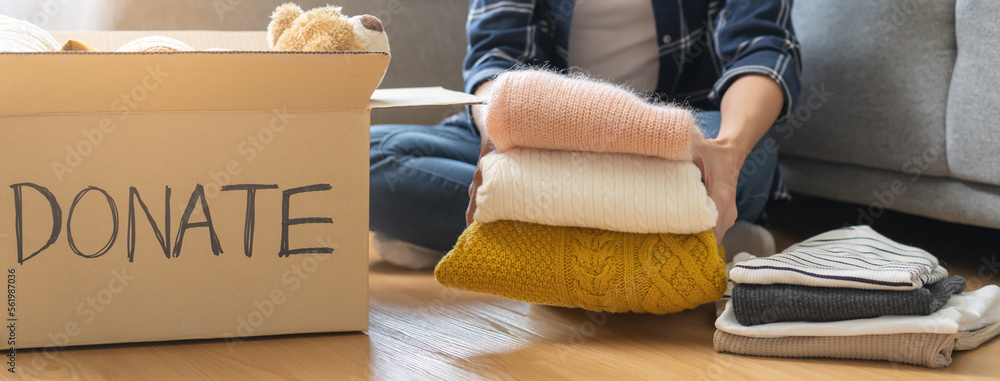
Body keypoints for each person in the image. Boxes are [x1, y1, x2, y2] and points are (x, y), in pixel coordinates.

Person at [370, 0, 801, 269]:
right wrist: (502, 128)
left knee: (750, 153)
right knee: (364, 160)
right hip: (539, 137)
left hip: (679, 140)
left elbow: (762, 48)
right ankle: (686, 242)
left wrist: (728, 150)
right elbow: (496, 59)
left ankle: (498, 240)